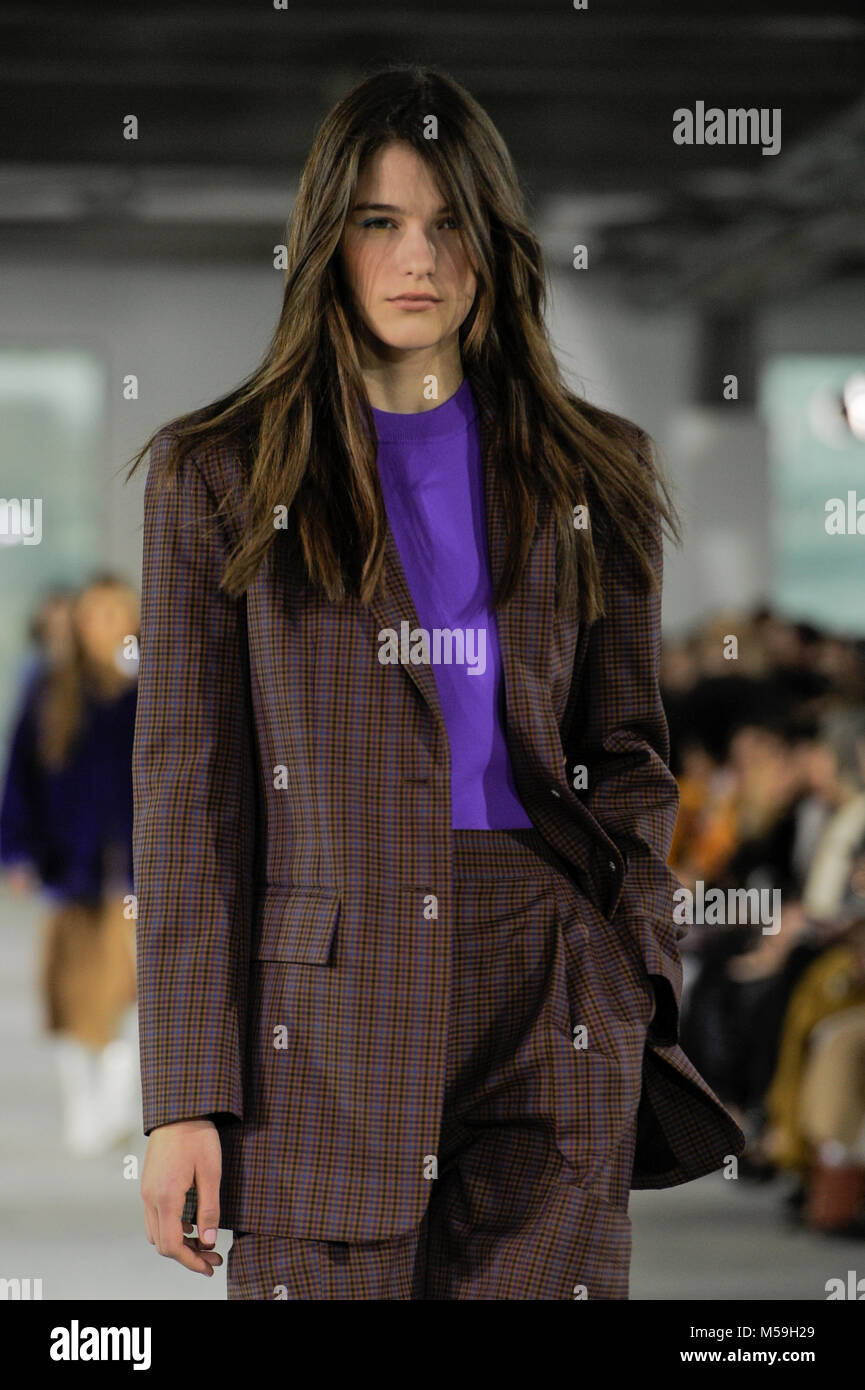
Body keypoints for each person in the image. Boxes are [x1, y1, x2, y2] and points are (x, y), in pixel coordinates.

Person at [125, 64, 744, 1301]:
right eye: (379, 222)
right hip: (327, 992)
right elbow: (187, 797)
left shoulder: (595, 471)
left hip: (545, 974)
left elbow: (624, 749)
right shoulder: (219, 474)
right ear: (325, 244)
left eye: (450, 219)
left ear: (493, 241)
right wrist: (185, 1097)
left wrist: (629, 958)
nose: (420, 256)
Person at [0, 574, 140, 1155]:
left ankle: (118, 1099)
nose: (104, 625)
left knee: (133, 989)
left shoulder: (154, 689)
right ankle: (83, 1104)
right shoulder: (51, 687)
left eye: (116, 613)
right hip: (70, 866)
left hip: (133, 871)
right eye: (94, 614)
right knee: (68, 989)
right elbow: (21, 774)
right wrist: (16, 850)